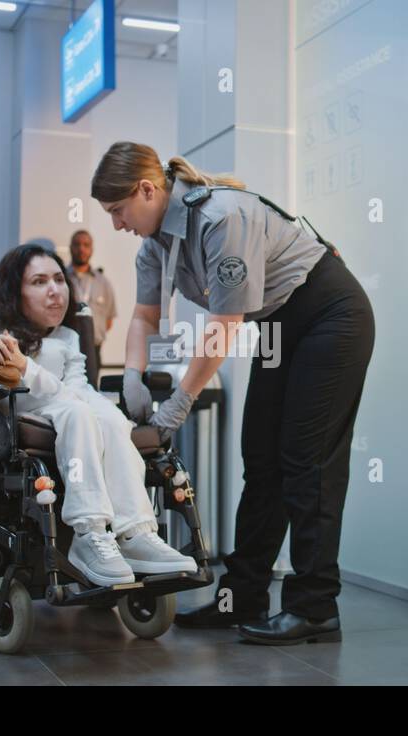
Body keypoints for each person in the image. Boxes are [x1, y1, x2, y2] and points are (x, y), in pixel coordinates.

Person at [91, 141, 375, 646]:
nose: (116, 224)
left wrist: (179, 403)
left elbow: (225, 324)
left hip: (330, 314)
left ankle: (315, 607)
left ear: (147, 190)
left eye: (117, 210)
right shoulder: (154, 246)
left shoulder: (220, 217)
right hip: (277, 327)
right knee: (262, 458)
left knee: (307, 461)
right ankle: (240, 597)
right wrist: (132, 374)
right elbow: (143, 317)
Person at [0, 243, 196, 587]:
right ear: (15, 292)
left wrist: (29, 369)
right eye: (38, 282)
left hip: (62, 409)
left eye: (58, 280)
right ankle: (89, 533)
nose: (54, 291)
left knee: (110, 419)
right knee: (80, 415)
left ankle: (136, 532)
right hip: (9, 419)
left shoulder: (68, 336)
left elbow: (74, 392)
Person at [66, 229, 117, 367]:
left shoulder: (103, 282)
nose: (81, 249)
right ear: (70, 248)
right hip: (67, 349)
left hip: (94, 349)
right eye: (77, 244)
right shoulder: (61, 279)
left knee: (93, 386)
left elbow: (109, 320)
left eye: (86, 245)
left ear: (91, 249)